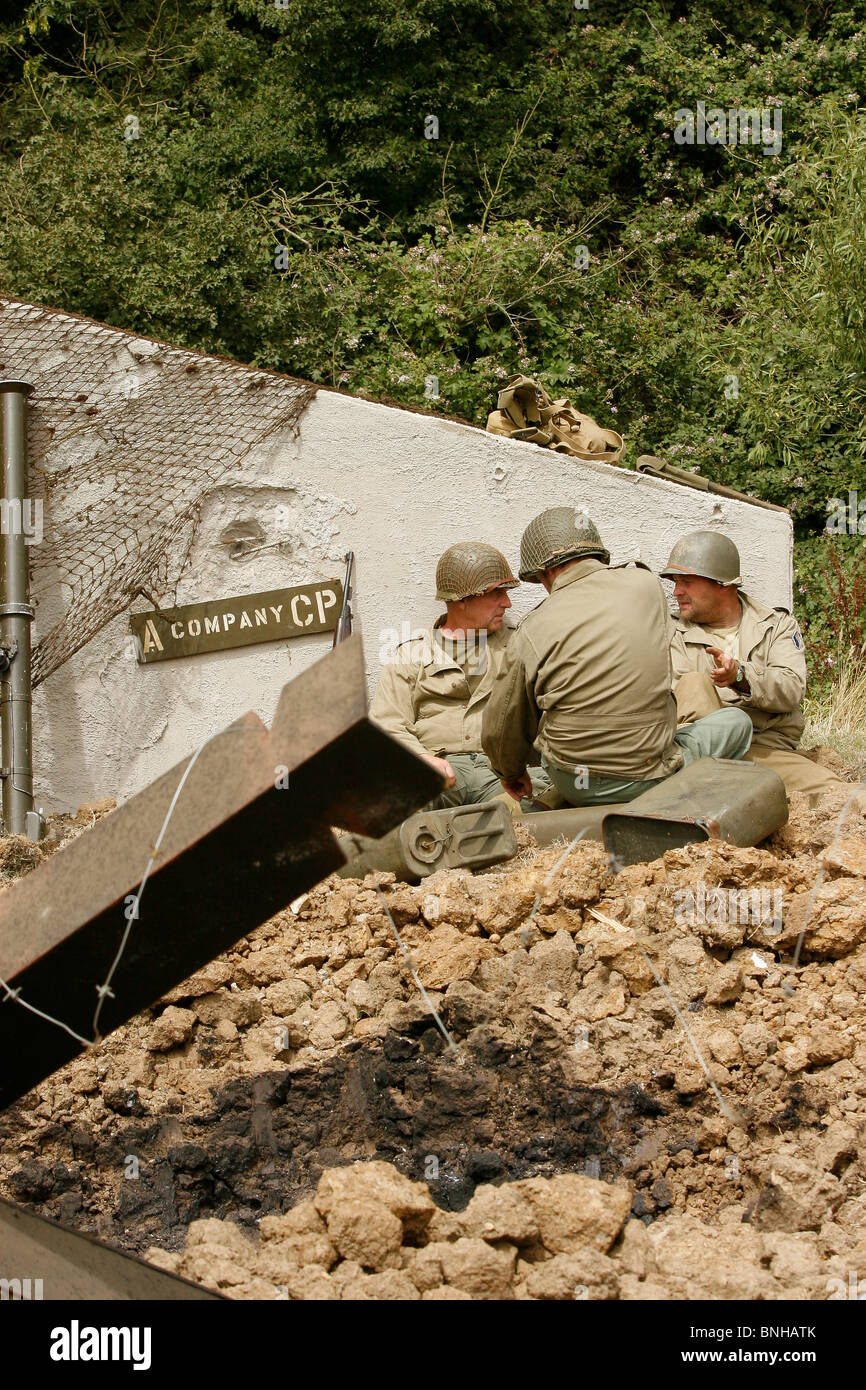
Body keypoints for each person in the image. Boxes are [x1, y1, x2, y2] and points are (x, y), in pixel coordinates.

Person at [482, 507, 753, 806]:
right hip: (652, 773)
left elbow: (504, 721)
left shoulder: (531, 628)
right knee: (737, 722)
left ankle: (560, 802)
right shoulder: (647, 585)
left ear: (546, 571)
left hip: (575, 783)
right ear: (597, 555)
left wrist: (510, 773)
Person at [662, 530, 866, 809]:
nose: (676, 592)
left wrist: (741, 677)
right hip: (691, 754)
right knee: (695, 683)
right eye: (675, 582)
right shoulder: (668, 631)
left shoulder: (776, 625)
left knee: (846, 799)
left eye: (686, 582)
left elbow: (791, 688)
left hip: (761, 752)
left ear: (722, 584)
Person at [371, 540, 546, 808]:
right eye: (497, 593)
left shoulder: (520, 646)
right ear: (465, 599)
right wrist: (422, 758)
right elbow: (386, 724)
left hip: (503, 775)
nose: (508, 603)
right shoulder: (412, 654)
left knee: (535, 807)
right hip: (437, 771)